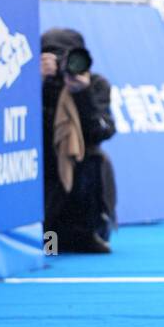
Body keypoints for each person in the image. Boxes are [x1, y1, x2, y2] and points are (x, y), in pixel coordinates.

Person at [39, 27, 117, 253]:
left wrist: (82, 95)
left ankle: (88, 230)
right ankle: (45, 230)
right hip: (45, 168)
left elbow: (103, 131)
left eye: (68, 57)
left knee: (97, 159)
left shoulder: (95, 84)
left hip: (79, 172)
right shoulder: (29, 85)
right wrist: (37, 85)